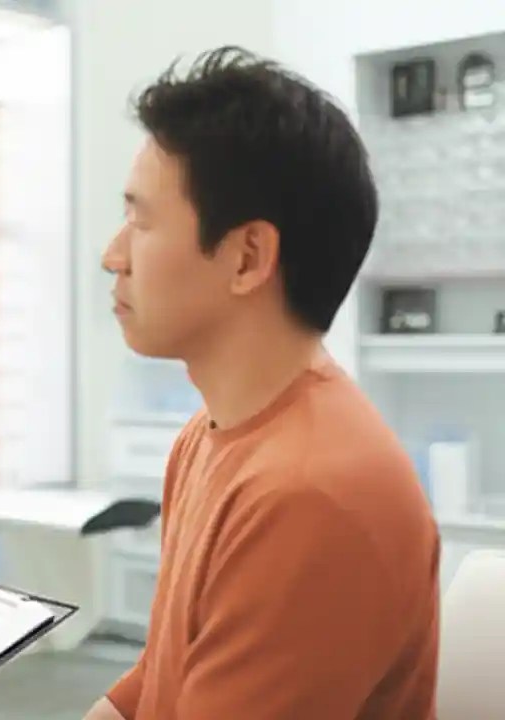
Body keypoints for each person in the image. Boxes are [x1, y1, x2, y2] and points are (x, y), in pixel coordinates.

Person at [84, 47, 440, 719]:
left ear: (247, 257)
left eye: (141, 220)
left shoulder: (313, 493)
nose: (114, 255)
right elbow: (159, 676)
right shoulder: (207, 436)